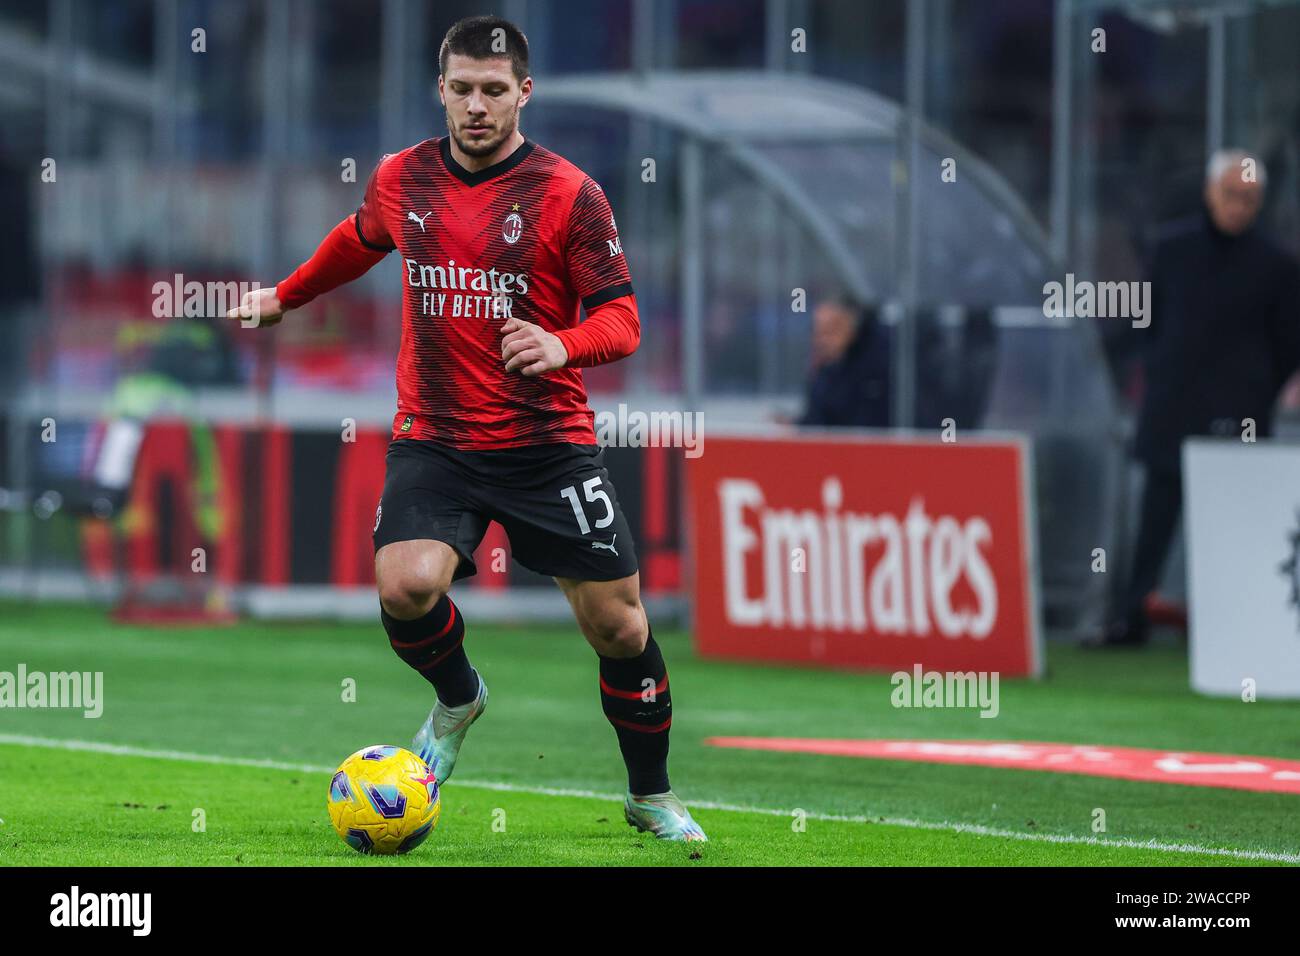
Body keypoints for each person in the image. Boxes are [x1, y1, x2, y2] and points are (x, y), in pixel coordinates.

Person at [228, 16, 705, 840]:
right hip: (436, 434)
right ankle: (459, 697)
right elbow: (359, 238)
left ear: (524, 92)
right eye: (462, 89)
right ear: (440, 89)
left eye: (494, 90)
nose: (476, 106)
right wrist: (288, 294)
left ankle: (651, 794)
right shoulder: (401, 177)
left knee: (620, 626)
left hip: (546, 444)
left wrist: (562, 343)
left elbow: (623, 320)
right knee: (404, 587)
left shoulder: (569, 194)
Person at [1091, 149, 1300, 648]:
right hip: (1172, 410)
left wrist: (1256, 393)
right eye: (1231, 195)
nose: (1239, 206)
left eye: (1249, 198)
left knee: (1234, 530)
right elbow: (1146, 320)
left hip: (1238, 418)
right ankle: (1129, 616)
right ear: (1210, 193)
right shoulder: (1171, 250)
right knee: (1154, 524)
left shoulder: (1276, 265)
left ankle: (1234, 628)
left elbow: (1288, 343)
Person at [798, 296, 891, 427]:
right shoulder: (825, 369)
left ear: (852, 328)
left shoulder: (878, 370)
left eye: (831, 330)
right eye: (817, 331)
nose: (821, 340)